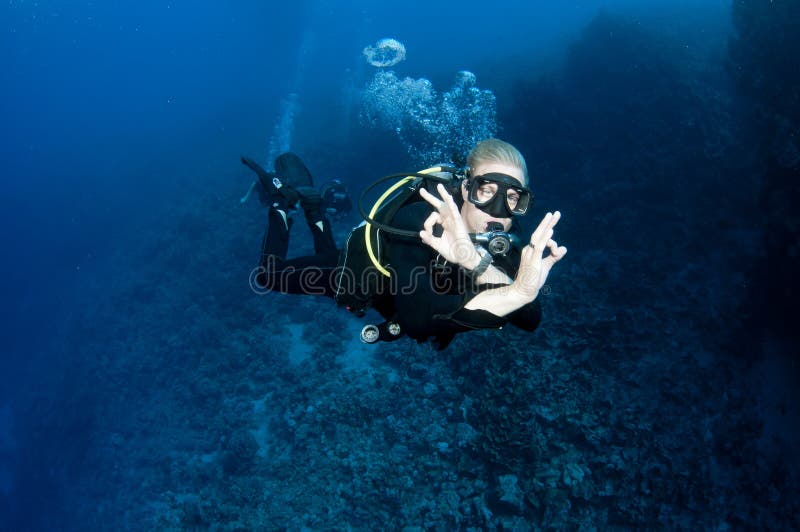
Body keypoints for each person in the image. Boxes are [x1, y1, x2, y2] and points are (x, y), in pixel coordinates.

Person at [245, 139, 567, 349]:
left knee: (325, 254)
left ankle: (315, 211)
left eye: (513, 197)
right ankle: (282, 205)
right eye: (486, 190)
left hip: (401, 300)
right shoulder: (420, 221)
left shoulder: (504, 239)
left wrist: (480, 265)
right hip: (361, 278)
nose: (498, 210)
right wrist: (505, 284)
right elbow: (416, 321)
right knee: (269, 275)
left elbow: (529, 318)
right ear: (466, 187)